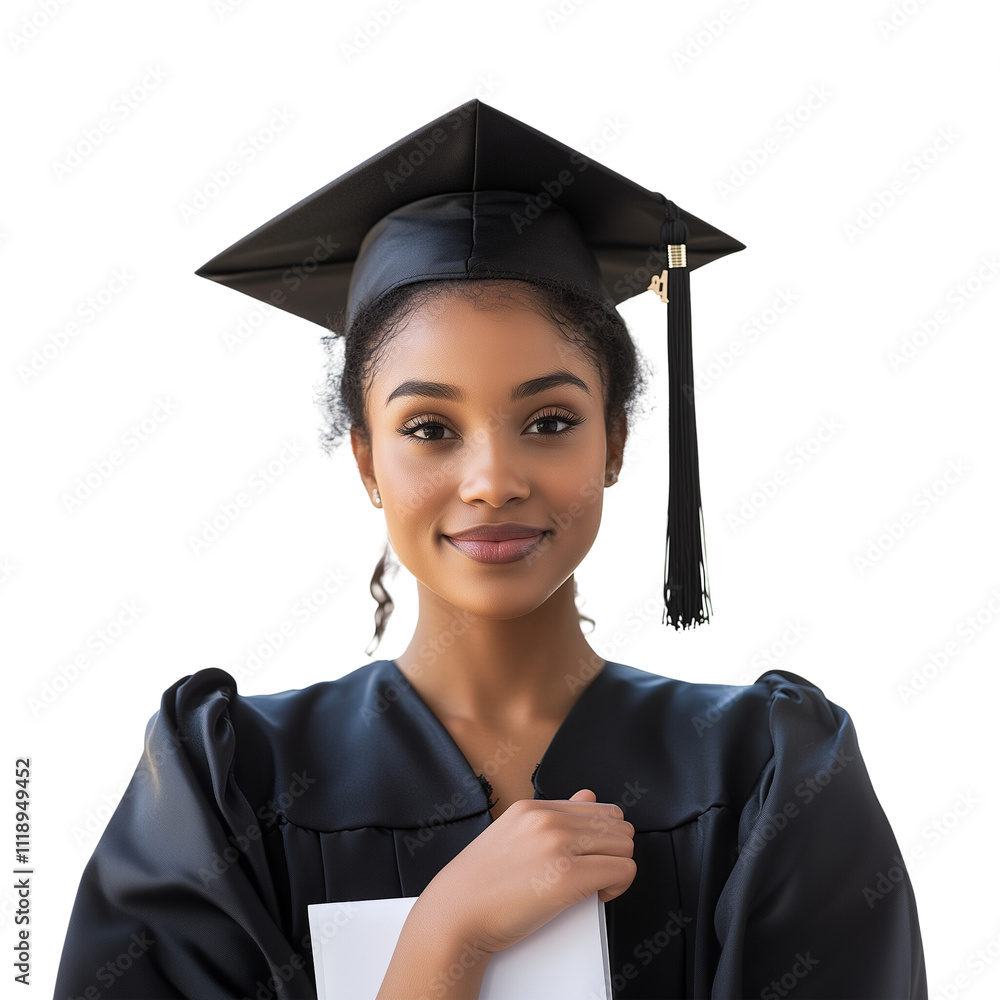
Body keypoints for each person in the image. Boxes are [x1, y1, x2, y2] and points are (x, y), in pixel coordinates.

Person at [53, 99, 927, 1000]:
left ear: (615, 444)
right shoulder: (222, 789)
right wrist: (445, 945)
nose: (493, 478)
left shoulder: (770, 773)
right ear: (366, 461)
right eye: (430, 428)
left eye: (550, 421)